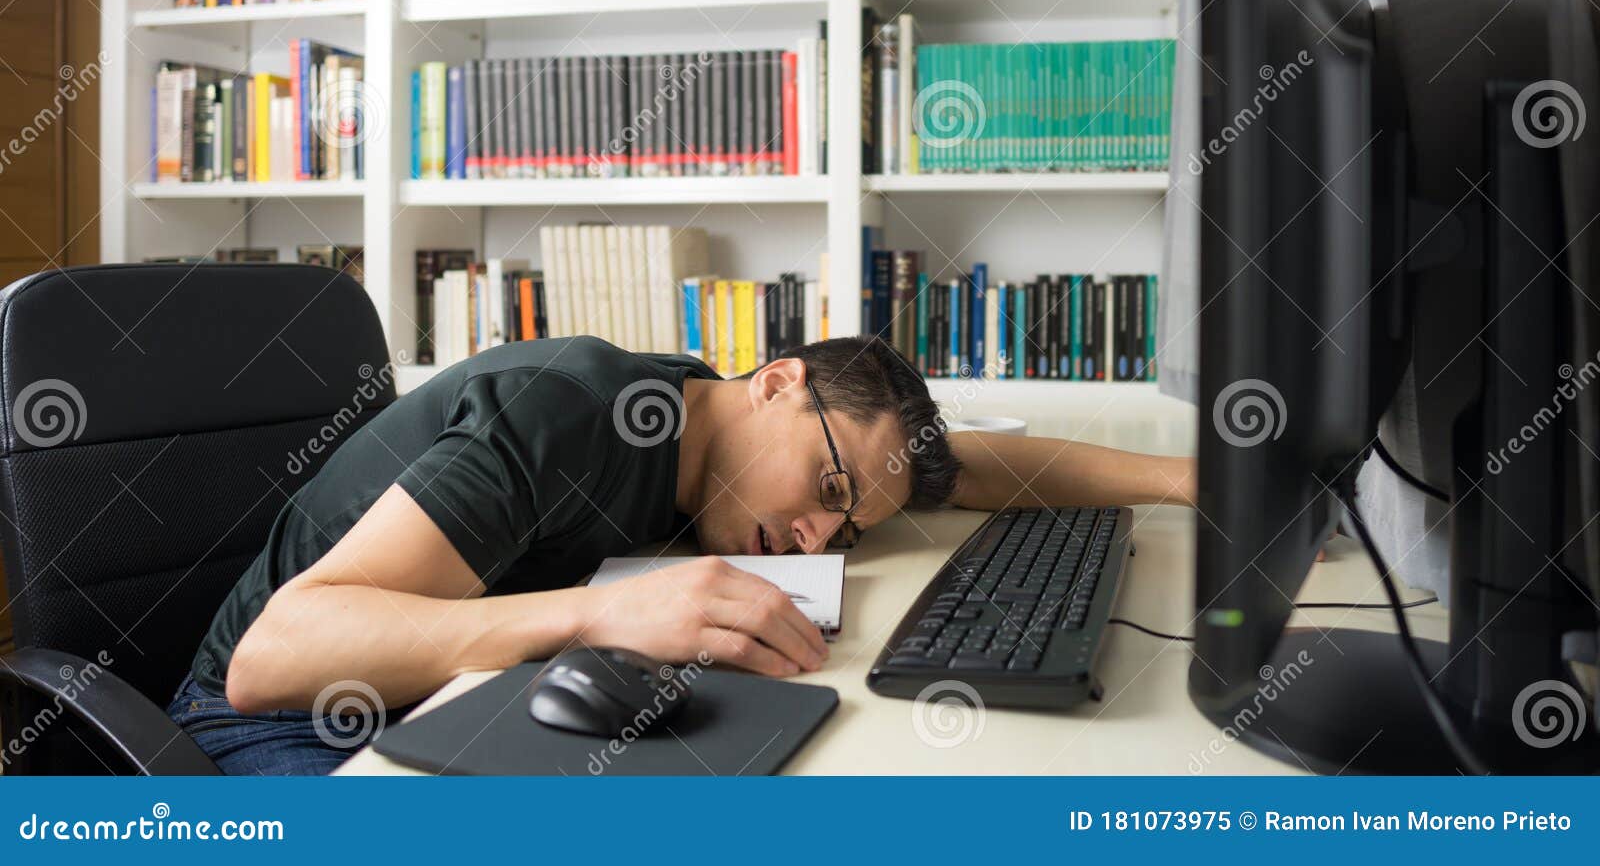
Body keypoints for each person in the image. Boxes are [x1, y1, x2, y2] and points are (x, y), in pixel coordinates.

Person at [168, 335, 1195, 774]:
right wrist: (596, 612)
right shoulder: (558, 416)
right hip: (269, 715)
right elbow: (273, 655)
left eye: (845, 531)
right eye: (825, 494)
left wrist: (1190, 480)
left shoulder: (709, 421)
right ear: (778, 379)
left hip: (453, 688)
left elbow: (968, 462)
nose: (815, 539)